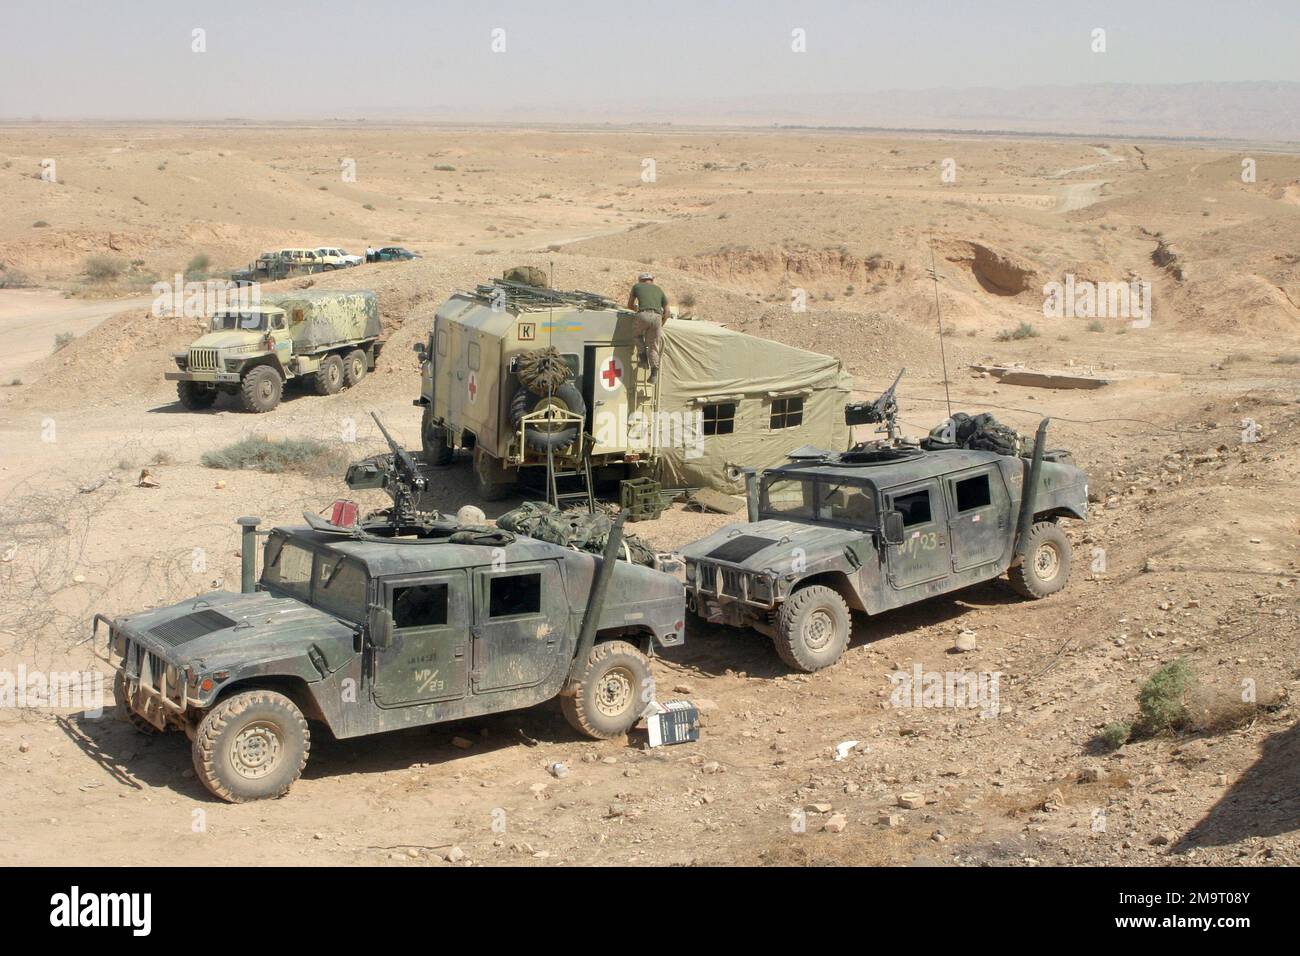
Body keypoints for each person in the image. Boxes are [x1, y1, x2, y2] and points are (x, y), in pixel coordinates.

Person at [627, 271, 669, 383]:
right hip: (657, 318)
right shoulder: (659, 290)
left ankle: (643, 358)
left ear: (640, 280)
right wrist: (661, 325)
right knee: (653, 346)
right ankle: (654, 373)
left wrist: (637, 310)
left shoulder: (637, 287)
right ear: (652, 280)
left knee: (636, 335)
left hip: (643, 314)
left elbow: (629, 305)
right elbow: (667, 312)